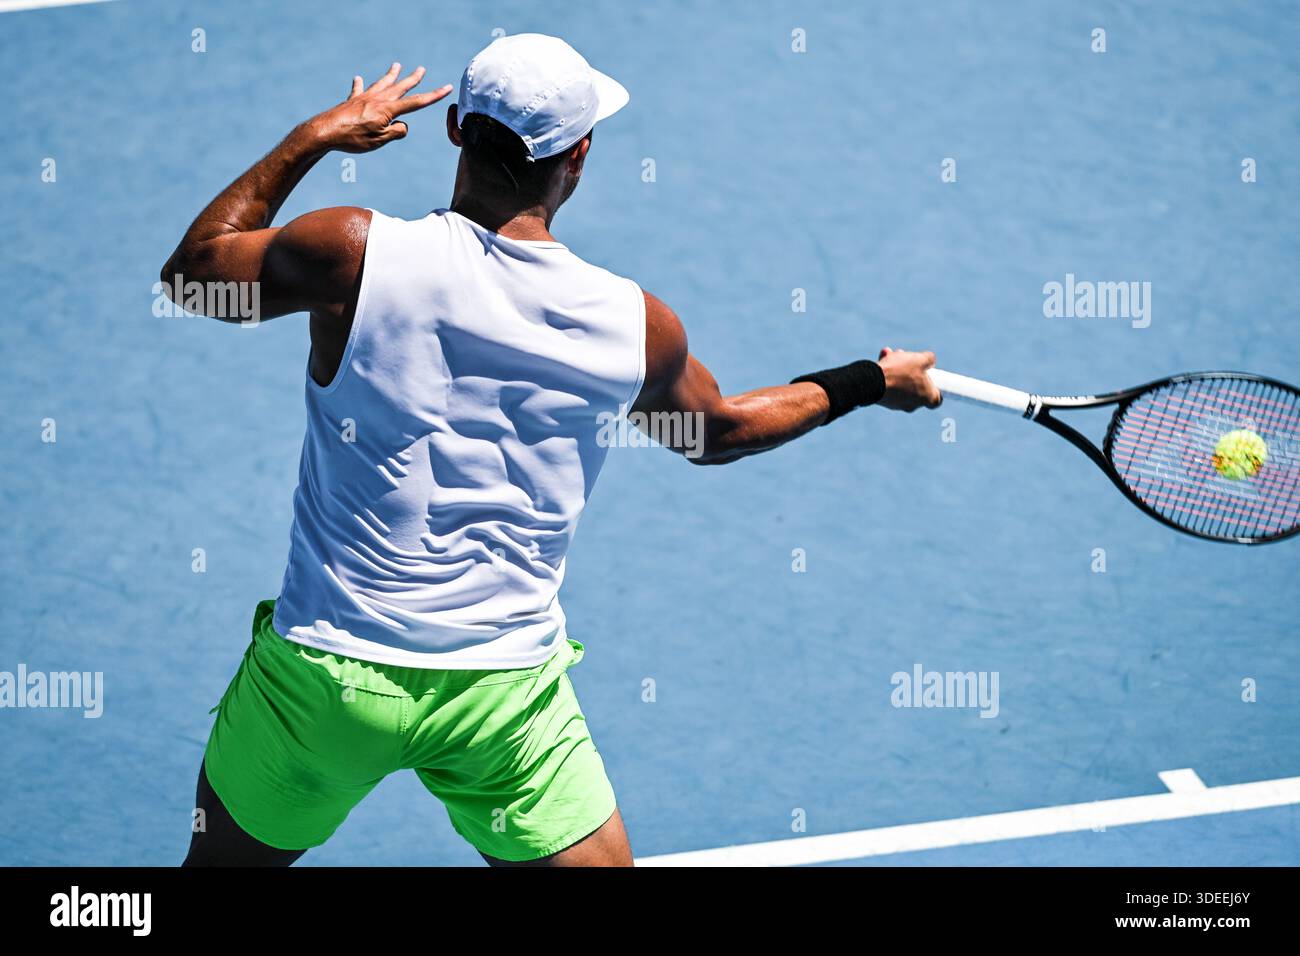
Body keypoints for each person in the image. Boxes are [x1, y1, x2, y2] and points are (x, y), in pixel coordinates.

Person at [164, 33, 941, 867]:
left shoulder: (352, 253)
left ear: (456, 129)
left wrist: (315, 135)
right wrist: (869, 379)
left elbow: (194, 275)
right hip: (501, 702)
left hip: (326, 683)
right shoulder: (631, 323)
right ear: (579, 155)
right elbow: (718, 434)